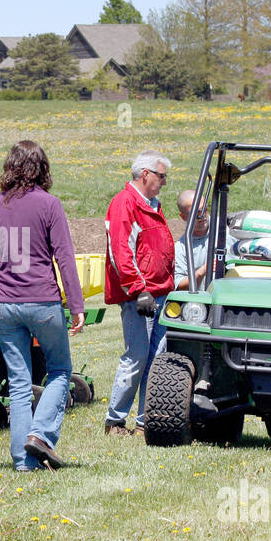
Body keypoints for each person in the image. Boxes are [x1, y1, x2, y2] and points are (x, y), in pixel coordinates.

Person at [0, 141, 85, 471]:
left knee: (19, 383)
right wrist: (76, 304)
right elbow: (64, 257)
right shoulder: (50, 205)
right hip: (43, 301)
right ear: (43, 169)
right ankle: (41, 435)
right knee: (60, 370)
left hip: (5, 305)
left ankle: (24, 463)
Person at [103, 149, 175, 438]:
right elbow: (120, 251)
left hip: (160, 293)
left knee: (157, 359)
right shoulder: (125, 204)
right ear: (146, 174)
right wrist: (138, 289)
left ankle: (146, 422)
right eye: (162, 176)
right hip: (141, 297)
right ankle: (115, 421)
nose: (164, 182)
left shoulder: (152, 204)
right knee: (136, 357)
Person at [173, 189, 210, 291]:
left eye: (204, 210)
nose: (202, 216)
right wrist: (202, 271)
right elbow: (179, 285)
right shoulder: (181, 249)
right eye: (196, 213)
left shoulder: (226, 229)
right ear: (183, 217)